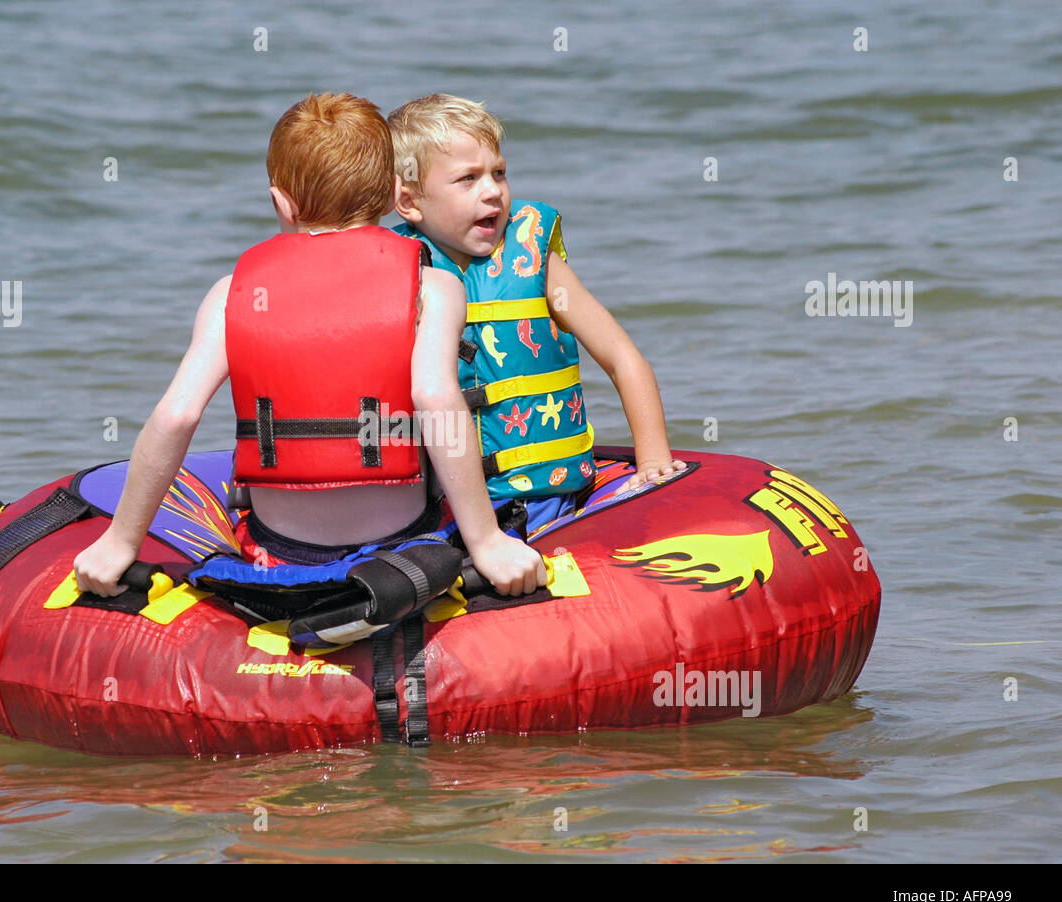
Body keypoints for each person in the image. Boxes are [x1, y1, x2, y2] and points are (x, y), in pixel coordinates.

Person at [73, 92, 547, 600]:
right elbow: (436, 400)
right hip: (405, 539)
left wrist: (120, 541)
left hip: (280, 550)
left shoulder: (230, 295)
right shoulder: (431, 288)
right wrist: (486, 540)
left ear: (282, 202)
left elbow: (175, 417)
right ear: (392, 196)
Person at [387, 93, 686, 525]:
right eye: (467, 179)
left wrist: (654, 459)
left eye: (499, 173)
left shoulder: (533, 259)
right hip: (451, 508)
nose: (492, 191)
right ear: (410, 202)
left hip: (553, 496)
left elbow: (623, 358)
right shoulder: (398, 268)